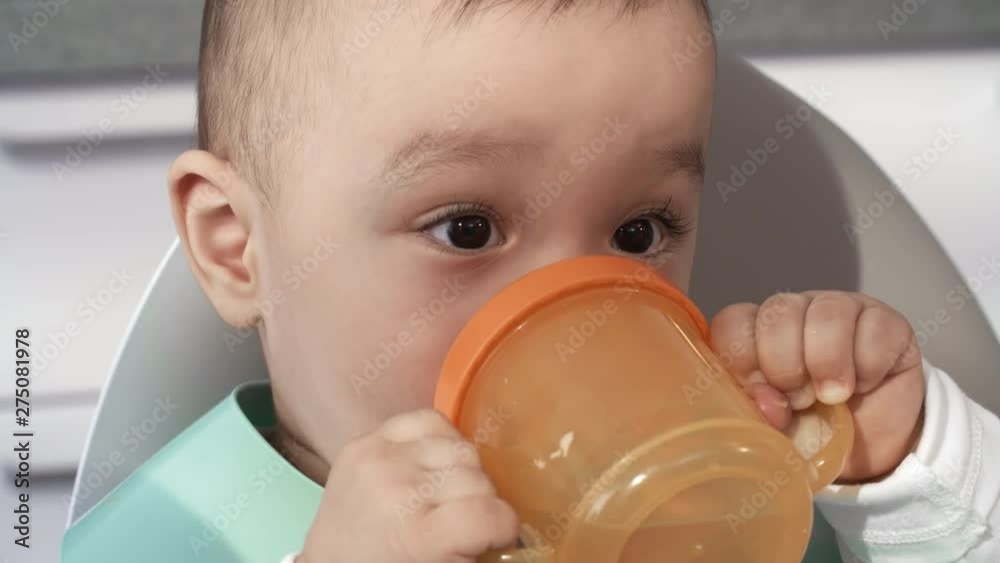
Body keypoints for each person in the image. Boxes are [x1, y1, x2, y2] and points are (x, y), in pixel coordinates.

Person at [162, 1, 1000, 561]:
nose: (578, 307)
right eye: (467, 228)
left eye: (639, 233)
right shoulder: (174, 529)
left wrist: (902, 475)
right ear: (238, 249)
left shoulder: (715, 495)